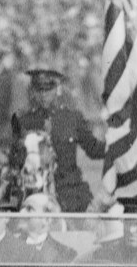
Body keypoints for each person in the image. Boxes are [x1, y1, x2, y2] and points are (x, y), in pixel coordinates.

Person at [9, 67, 106, 213]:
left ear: (57, 89)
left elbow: (93, 149)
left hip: (71, 194)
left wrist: (119, 145)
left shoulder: (72, 118)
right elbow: (15, 161)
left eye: (48, 90)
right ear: (33, 92)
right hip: (36, 196)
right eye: (39, 90)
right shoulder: (23, 121)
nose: (43, 95)